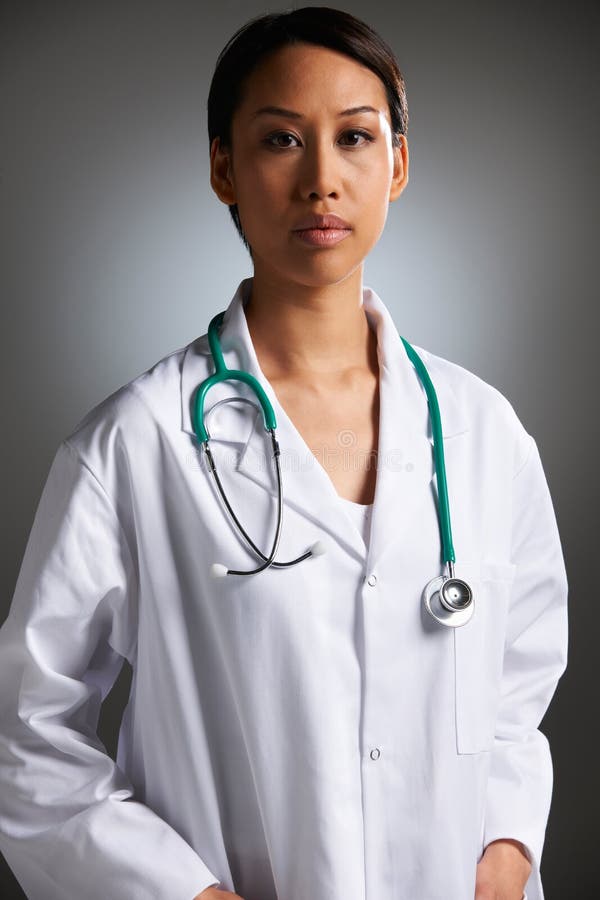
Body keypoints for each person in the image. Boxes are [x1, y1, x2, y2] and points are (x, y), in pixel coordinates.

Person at [0, 7, 568, 900]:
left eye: (354, 138)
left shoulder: (482, 432)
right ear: (223, 167)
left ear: (399, 165)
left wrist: (505, 848)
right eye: (279, 140)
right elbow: (26, 730)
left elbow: (517, 686)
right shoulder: (135, 443)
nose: (321, 181)